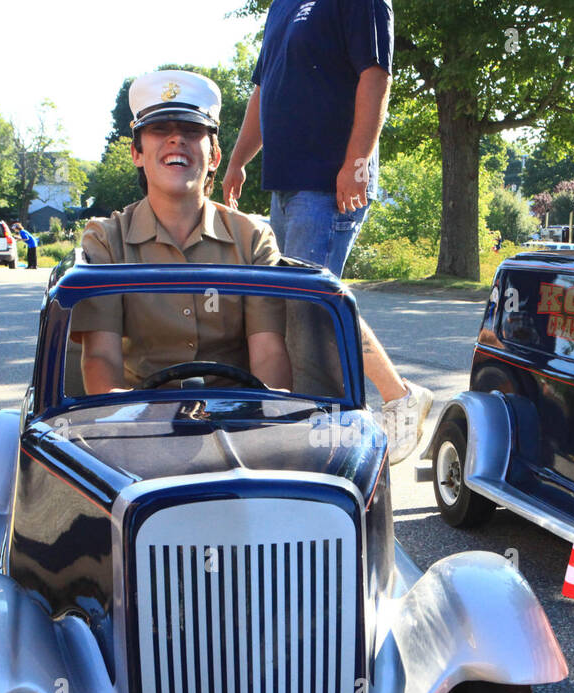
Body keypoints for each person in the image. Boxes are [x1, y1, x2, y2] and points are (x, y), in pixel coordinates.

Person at [221, 0, 433, 463]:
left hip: (330, 181)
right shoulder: (282, 6)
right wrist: (237, 161)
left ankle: (353, 416)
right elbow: (264, 88)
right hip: (286, 182)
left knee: (310, 304)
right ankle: (385, 398)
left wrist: (357, 163)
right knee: (303, 304)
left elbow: (376, 75)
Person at [71, 70, 292, 394]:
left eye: (192, 130)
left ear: (215, 157)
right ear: (137, 153)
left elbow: (269, 352)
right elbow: (101, 358)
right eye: (159, 130)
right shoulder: (106, 241)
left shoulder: (252, 239)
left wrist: (267, 425)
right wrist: (121, 425)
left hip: (235, 422)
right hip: (136, 419)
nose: (177, 140)